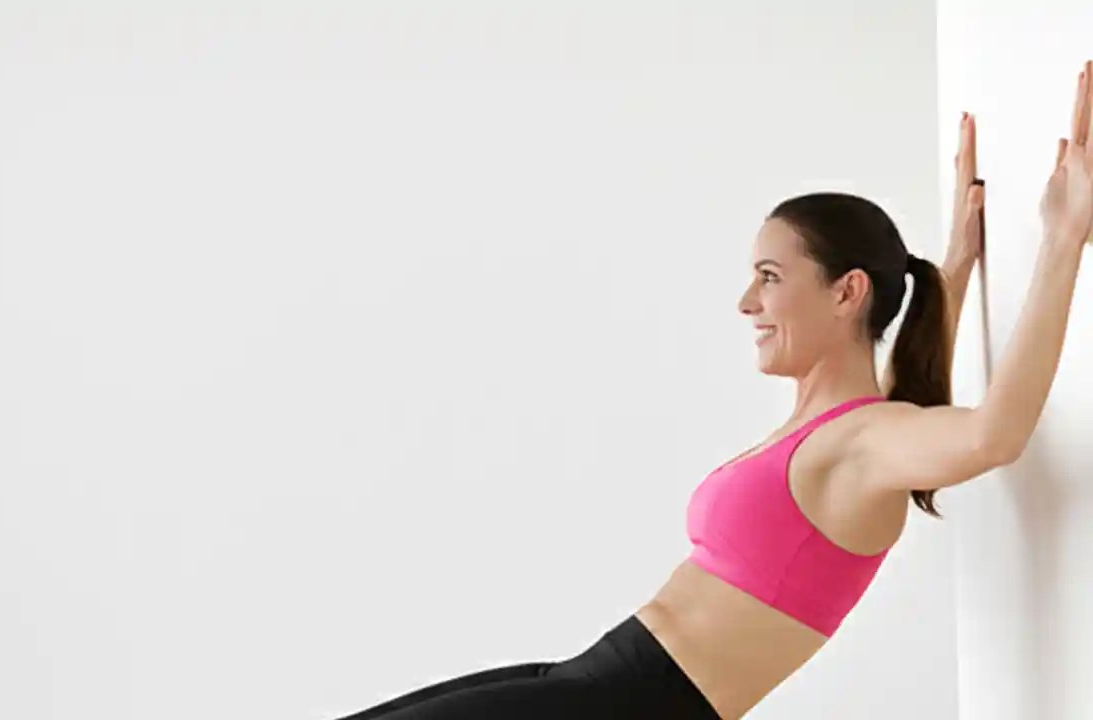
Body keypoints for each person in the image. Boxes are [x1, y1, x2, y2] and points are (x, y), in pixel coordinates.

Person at [334, 61, 1093, 720]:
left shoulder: (869, 441)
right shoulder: (843, 431)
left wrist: (1063, 242)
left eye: (769, 278)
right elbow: (904, 375)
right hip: (584, 683)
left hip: (619, 709)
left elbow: (995, 433)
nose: (746, 304)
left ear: (846, 292)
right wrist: (952, 270)